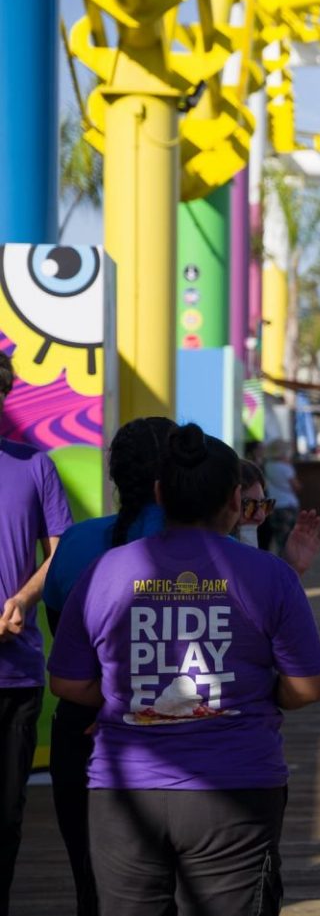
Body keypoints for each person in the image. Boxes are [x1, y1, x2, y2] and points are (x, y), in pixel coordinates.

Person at [47, 422, 320, 915]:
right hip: (236, 787)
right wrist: (263, 693)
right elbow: (306, 686)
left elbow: (67, 680)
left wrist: (129, 695)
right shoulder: (269, 574)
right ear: (235, 502)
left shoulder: (105, 571)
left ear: (161, 492)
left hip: (124, 790)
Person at [42, 416, 175, 916]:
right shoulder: (211, 549)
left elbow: (66, 643)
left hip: (85, 735)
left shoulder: (77, 543)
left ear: (115, 478)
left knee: (94, 888)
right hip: (181, 734)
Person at [0, 350, 73, 914]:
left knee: (7, 813)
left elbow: (62, 551)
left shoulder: (35, 465)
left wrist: (23, 598)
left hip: (16, 672)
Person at [264, 440, 302, 557]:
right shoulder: (286, 468)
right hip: (289, 504)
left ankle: (280, 563)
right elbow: (296, 486)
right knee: (290, 539)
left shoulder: (268, 466)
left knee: (279, 539)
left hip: (273, 505)